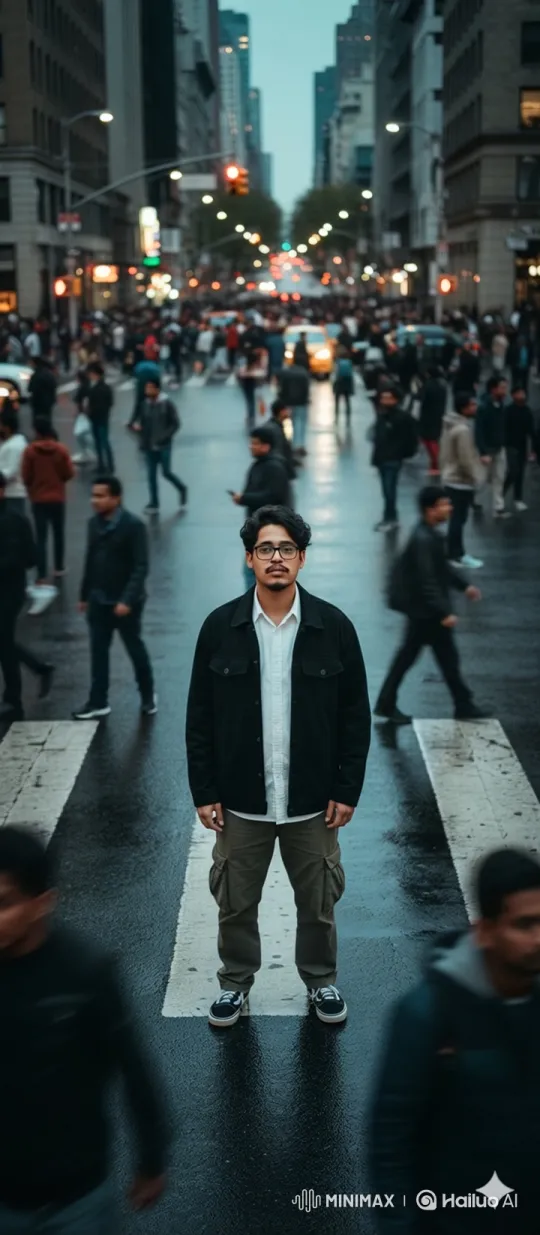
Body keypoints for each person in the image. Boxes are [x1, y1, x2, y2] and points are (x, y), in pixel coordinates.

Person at [186, 505, 371, 1028]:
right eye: (265, 548)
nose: (276, 558)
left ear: (302, 559)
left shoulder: (332, 626)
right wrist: (204, 791)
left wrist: (346, 788)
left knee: (317, 902)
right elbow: (198, 716)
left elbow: (355, 716)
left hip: (312, 799)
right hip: (243, 799)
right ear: (249, 558)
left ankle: (320, 981)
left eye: (286, 549)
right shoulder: (220, 627)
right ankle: (235, 984)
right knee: (235, 902)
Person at [0, 826, 168, 1229]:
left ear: (44, 903)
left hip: (78, 1197)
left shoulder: (85, 973)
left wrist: (151, 1160)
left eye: (4, 903)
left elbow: (135, 1070)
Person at [369, 847, 540, 1235]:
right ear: (485, 932)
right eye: (525, 925)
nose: (538, 938)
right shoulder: (426, 1015)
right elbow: (391, 1145)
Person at [374, 485, 485, 724]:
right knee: (435, 657)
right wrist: (444, 611)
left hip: (423, 610)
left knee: (425, 657)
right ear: (430, 509)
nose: (450, 508)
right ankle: (462, 703)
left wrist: (464, 586)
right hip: (425, 612)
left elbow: (440, 569)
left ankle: (388, 702)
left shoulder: (429, 534)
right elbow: (428, 579)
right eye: (445, 504)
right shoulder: (424, 538)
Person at [73, 475, 157, 720]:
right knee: (98, 652)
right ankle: (98, 701)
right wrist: (84, 594)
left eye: (100, 496)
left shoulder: (133, 526)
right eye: (93, 495)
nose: (94, 501)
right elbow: (90, 560)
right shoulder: (93, 524)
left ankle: (148, 695)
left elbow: (141, 566)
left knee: (134, 648)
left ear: (116, 498)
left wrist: (127, 600)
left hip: (126, 604)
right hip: (98, 600)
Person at [0, 475, 53, 720]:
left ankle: (13, 701)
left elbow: (27, 558)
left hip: (9, 591)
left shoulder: (13, 520)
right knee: (4, 641)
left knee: (4, 642)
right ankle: (40, 668)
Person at [22, 418, 74, 615]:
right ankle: (59, 566)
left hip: (38, 498)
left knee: (41, 537)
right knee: (58, 532)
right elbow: (68, 473)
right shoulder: (61, 450)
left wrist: (34, 486)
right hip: (57, 497)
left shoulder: (30, 451)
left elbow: (26, 475)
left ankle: (41, 574)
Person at [440, 391, 485, 569]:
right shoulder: (463, 430)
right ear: (464, 408)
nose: (475, 408)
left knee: (456, 519)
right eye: (472, 405)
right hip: (460, 481)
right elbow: (466, 459)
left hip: (451, 477)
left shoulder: (450, 426)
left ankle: (456, 553)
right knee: (458, 519)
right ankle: (456, 554)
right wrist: (477, 477)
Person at [371, 385, 418, 531]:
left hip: (392, 459)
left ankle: (390, 518)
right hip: (382, 458)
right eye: (383, 397)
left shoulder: (401, 418)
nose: (385, 400)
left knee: (389, 490)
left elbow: (410, 438)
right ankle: (390, 517)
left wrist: (402, 453)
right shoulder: (382, 416)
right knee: (387, 490)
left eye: (389, 398)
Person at [139, 377, 186, 515]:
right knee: (151, 475)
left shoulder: (167, 404)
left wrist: (165, 437)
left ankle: (181, 488)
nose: (148, 391)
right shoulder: (145, 404)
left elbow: (176, 423)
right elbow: (144, 425)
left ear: (157, 389)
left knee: (166, 472)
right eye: (146, 388)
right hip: (149, 445)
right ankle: (154, 502)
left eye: (150, 388)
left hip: (164, 444)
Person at [230, 426, 292, 518]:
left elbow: (272, 497)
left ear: (266, 446)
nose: (251, 447)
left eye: (255, 444)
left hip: (271, 522)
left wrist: (244, 498)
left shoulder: (274, 468)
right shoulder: (258, 465)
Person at [475, 375, 508, 516]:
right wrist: (483, 452)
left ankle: (498, 506)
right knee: (483, 478)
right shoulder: (484, 407)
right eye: (502, 388)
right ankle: (476, 499)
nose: (505, 391)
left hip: (499, 447)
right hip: (488, 448)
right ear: (493, 389)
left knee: (499, 476)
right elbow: (479, 431)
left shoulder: (500, 405)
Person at [503, 384, 535, 512]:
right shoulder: (509, 411)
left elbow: (531, 431)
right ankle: (501, 494)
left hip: (522, 446)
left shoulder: (527, 411)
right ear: (513, 395)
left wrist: (533, 449)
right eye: (519, 393)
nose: (522, 395)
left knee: (520, 472)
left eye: (523, 393)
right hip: (510, 445)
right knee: (513, 471)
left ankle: (517, 498)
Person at [86, 362, 115, 473]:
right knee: (100, 442)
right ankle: (104, 464)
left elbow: (104, 403)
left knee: (102, 442)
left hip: (99, 418)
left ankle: (106, 465)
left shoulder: (100, 388)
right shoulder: (102, 387)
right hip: (100, 418)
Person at [418, 365, 447, 474]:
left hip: (427, 416)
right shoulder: (442, 385)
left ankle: (436, 463)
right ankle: (435, 462)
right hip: (438, 415)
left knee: (429, 440)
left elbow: (422, 400)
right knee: (434, 439)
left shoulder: (428, 385)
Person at [278, 360, 310, 454]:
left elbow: (283, 388)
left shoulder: (287, 374)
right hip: (301, 402)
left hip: (289, 402)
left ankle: (291, 444)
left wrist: (282, 400)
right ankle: (300, 444)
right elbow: (306, 389)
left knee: (290, 422)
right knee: (302, 422)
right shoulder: (304, 374)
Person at [0, 409, 27, 514]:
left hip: (12, 494)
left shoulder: (14, 446)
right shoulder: (8, 442)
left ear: (7, 427)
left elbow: (9, 472)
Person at [266, 400, 298, 482]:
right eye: (287, 410)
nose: (289, 412)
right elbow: (280, 450)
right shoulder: (276, 430)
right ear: (281, 412)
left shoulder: (277, 426)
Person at [28, 358, 57, 428]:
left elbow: (30, 389)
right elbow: (54, 386)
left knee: (38, 420)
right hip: (48, 402)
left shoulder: (35, 375)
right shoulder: (49, 375)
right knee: (47, 419)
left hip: (37, 403)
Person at [333, 345, 355, 425]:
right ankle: (348, 419)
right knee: (347, 401)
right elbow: (352, 374)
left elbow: (335, 374)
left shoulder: (337, 362)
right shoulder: (349, 362)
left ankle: (336, 417)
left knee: (337, 401)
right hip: (347, 383)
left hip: (339, 383)